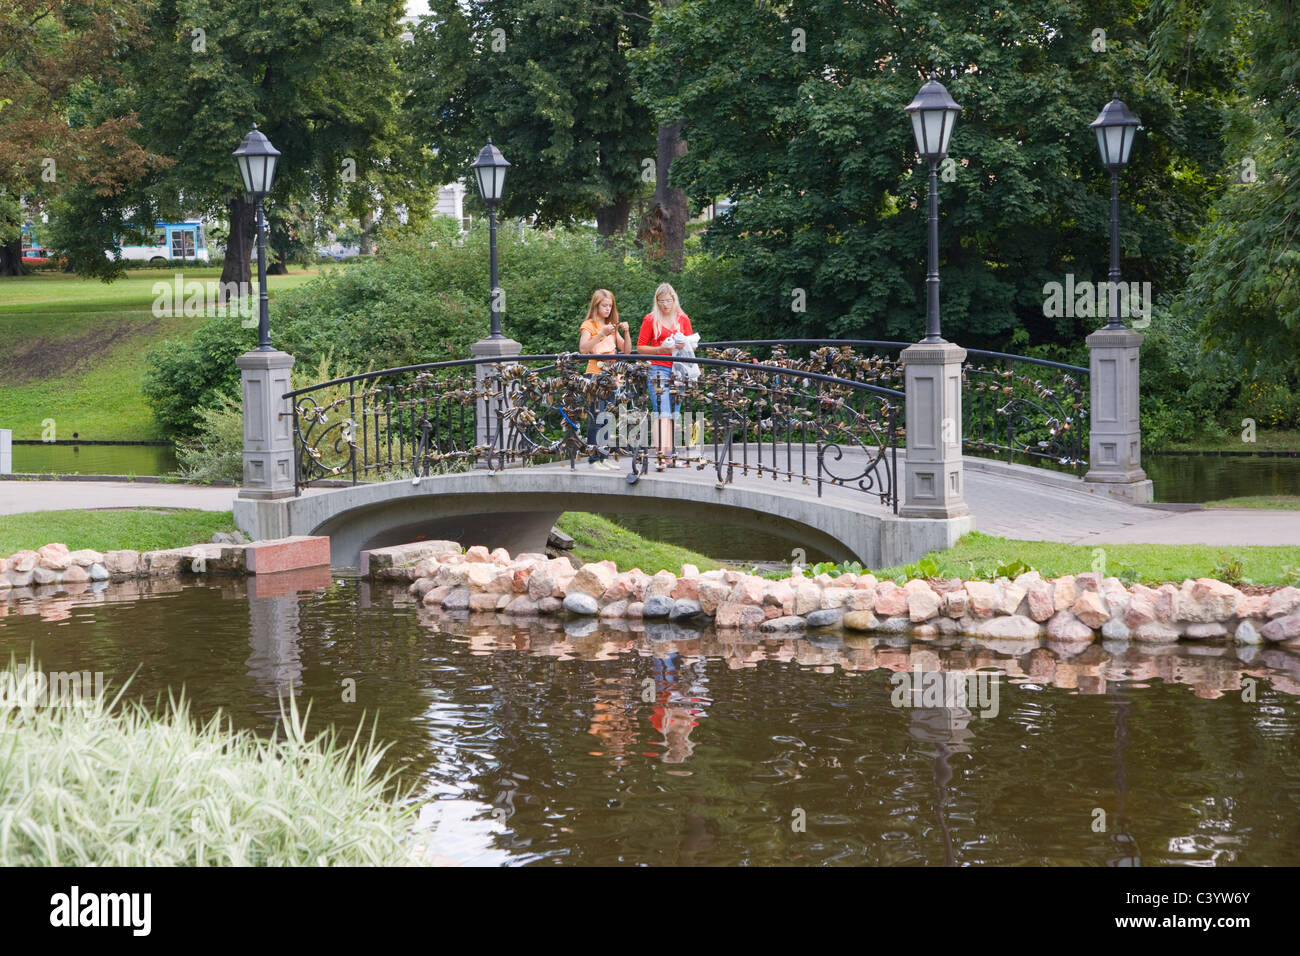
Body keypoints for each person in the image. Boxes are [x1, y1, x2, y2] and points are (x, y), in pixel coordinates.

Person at [636, 282, 694, 470]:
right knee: (663, 411)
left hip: (679, 369)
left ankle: (669, 456)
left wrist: (682, 343)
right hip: (658, 368)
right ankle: (662, 456)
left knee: (673, 413)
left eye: (669, 301)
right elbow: (640, 348)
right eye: (661, 301)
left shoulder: (682, 318)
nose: (666, 305)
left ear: (674, 300)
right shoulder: (651, 319)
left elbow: (693, 345)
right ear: (657, 301)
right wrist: (661, 348)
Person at [578, 289, 630, 469]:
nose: (608, 309)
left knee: (608, 416)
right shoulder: (589, 325)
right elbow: (583, 349)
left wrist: (625, 332)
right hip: (595, 374)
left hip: (612, 375)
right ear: (596, 306)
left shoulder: (612, 325)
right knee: (595, 416)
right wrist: (601, 334)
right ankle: (594, 459)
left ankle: (604, 456)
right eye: (604, 306)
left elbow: (626, 351)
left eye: (610, 306)